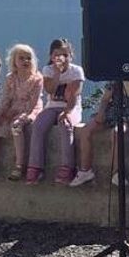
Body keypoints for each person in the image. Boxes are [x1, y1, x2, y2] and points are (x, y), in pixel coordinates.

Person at [26, 38, 84, 185]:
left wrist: (67, 111)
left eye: (65, 54)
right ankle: (36, 167)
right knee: (38, 125)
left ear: (70, 55)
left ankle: (68, 167)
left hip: (72, 107)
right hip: (52, 106)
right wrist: (57, 73)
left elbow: (74, 94)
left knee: (66, 124)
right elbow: (50, 90)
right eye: (57, 55)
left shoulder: (76, 71)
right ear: (52, 56)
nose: (61, 58)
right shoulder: (48, 70)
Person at [69, 81, 129, 187]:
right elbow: (105, 98)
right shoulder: (116, 77)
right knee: (86, 131)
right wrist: (100, 114)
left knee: (117, 132)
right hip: (110, 113)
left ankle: (117, 173)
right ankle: (85, 171)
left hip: (128, 116)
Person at [0, 44, 44, 180]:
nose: (25, 61)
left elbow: (33, 102)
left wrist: (22, 114)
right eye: (21, 58)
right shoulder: (11, 78)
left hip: (31, 109)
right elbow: (7, 97)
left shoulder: (37, 78)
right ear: (14, 61)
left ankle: (19, 165)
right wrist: (1, 113)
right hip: (13, 108)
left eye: (28, 58)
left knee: (16, 126)